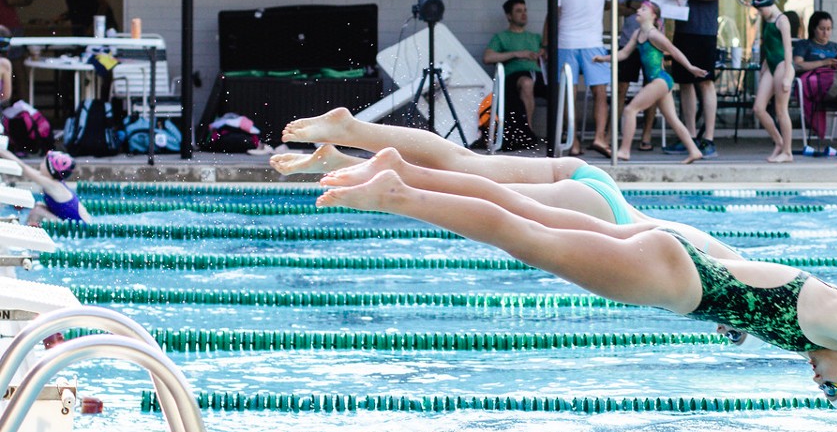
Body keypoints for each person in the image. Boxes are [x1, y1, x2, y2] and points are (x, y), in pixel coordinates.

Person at [311, 146, 837, 432]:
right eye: (835, 389)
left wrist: (740, 324)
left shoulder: (816, 331)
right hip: (678, 281)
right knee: (522, 235)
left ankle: (399, 170)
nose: (820, 384)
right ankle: (399, 191)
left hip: (683, 257)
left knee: (524, 214)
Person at [273, 107, 735, 258]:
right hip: (597, 209)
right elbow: (700, 247)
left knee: (463, 161)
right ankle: (397, 171)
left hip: (587, 179)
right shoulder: (736, 280)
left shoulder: (727, 270)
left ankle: (350, 136)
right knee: (493, 198)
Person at [593, 2, 705, 163]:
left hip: (661, 79)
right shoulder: (637, 33)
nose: (638, 10)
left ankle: (624, 151)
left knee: (630, 110)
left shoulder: (654, 35)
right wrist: (603, 59)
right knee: (672, 119)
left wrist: (690, 67)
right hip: (657, 81)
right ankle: (694, 151)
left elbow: (674, 51)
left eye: (643, 9)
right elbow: (623, 53)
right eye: (639, 8)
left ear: (653, 16)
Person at [666, 0, 724, 159]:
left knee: (705, 82)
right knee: (685, 84)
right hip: (684, 29)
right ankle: (689, 136)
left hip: (703, 31)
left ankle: (708, 138)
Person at [554, 0, 612, 157]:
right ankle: (599, 137)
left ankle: (574, 142)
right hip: (593, 43)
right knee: (600, 92)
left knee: (570, 93)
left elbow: (555, 13)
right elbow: (608, 3)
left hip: (566, 42)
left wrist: (544, 44)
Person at [616, 0, 672, 152]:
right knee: (622, 86)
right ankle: (616, 134)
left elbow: (656, 5)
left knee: (652, 89)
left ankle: (646, 135)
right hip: (630, 37)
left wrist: (632, 3)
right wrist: (637, 4)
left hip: (652, 43)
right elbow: (619, 8)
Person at [482, 0, 544, 135]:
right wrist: (517, 54)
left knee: (561, 88)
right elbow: (488, 57)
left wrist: (543, 53)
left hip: (537, 75)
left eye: (525, 10)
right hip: (514, 78)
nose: (524, 14)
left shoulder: (535, 37)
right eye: (519, 11)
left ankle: (565, 133)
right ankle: (528, 131)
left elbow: (548, 54)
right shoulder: (501, 37)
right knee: (527, 82)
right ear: (509, 16)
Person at [748, 0, 796, 162]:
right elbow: (769, 47)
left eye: (761, 9)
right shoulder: (767, 20)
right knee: (758, 108)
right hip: (770, 66)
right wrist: (763, 68)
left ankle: (788, 152)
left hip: (783, 66)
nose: (760, 13)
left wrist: (787, 78)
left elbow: (787, 50)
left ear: (769, 4)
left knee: (781, 111)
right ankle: (779, 142)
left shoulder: (782, 21)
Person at [792, 11, 837, 144]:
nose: (825, 33)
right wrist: (824, 62)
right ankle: (836, 91)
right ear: (813, 28)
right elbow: (797, 66)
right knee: (818, 81)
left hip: (833, 74)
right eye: (822, 29)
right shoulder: (804, 45)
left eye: (829, 29)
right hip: (812, 76)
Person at [0, 149, 90, 225]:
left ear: (50, 169)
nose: (41, 163)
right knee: (39, 205)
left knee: (37, 211)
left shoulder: (53, 185)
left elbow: (24, 169)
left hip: (78, 227)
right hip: (76, 223)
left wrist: (2, 152)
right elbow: (26, 167)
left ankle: (24, 231)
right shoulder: (53, 181)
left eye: (44, 161)